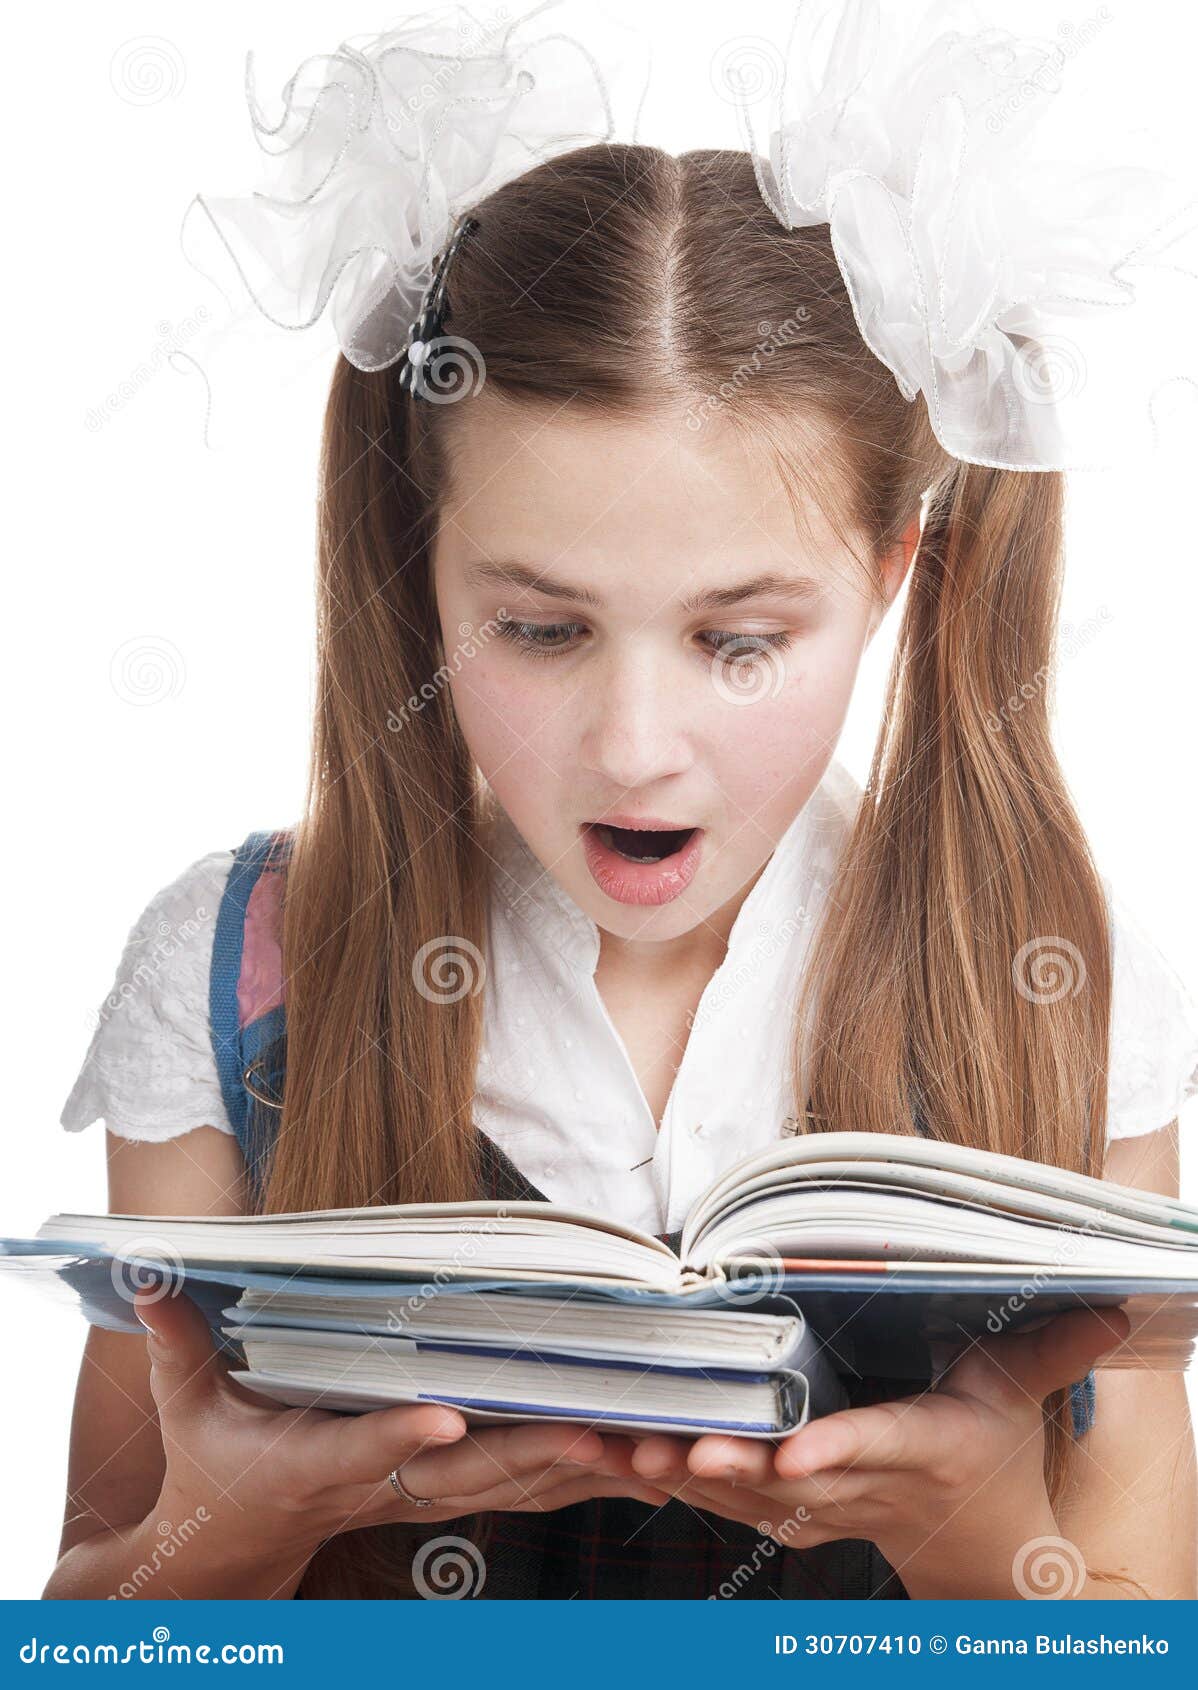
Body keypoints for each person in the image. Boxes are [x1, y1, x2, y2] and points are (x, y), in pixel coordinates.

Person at [43, 2, 1198, 1600]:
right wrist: (242, 1524)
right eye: (539, 629)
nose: (637, 745)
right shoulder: (236, 971)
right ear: (419, 569)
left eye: (738, 640)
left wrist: (979, 1537)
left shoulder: (1075, 991)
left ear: (885, 574)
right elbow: (97, 1626)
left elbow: (1143, 1626)